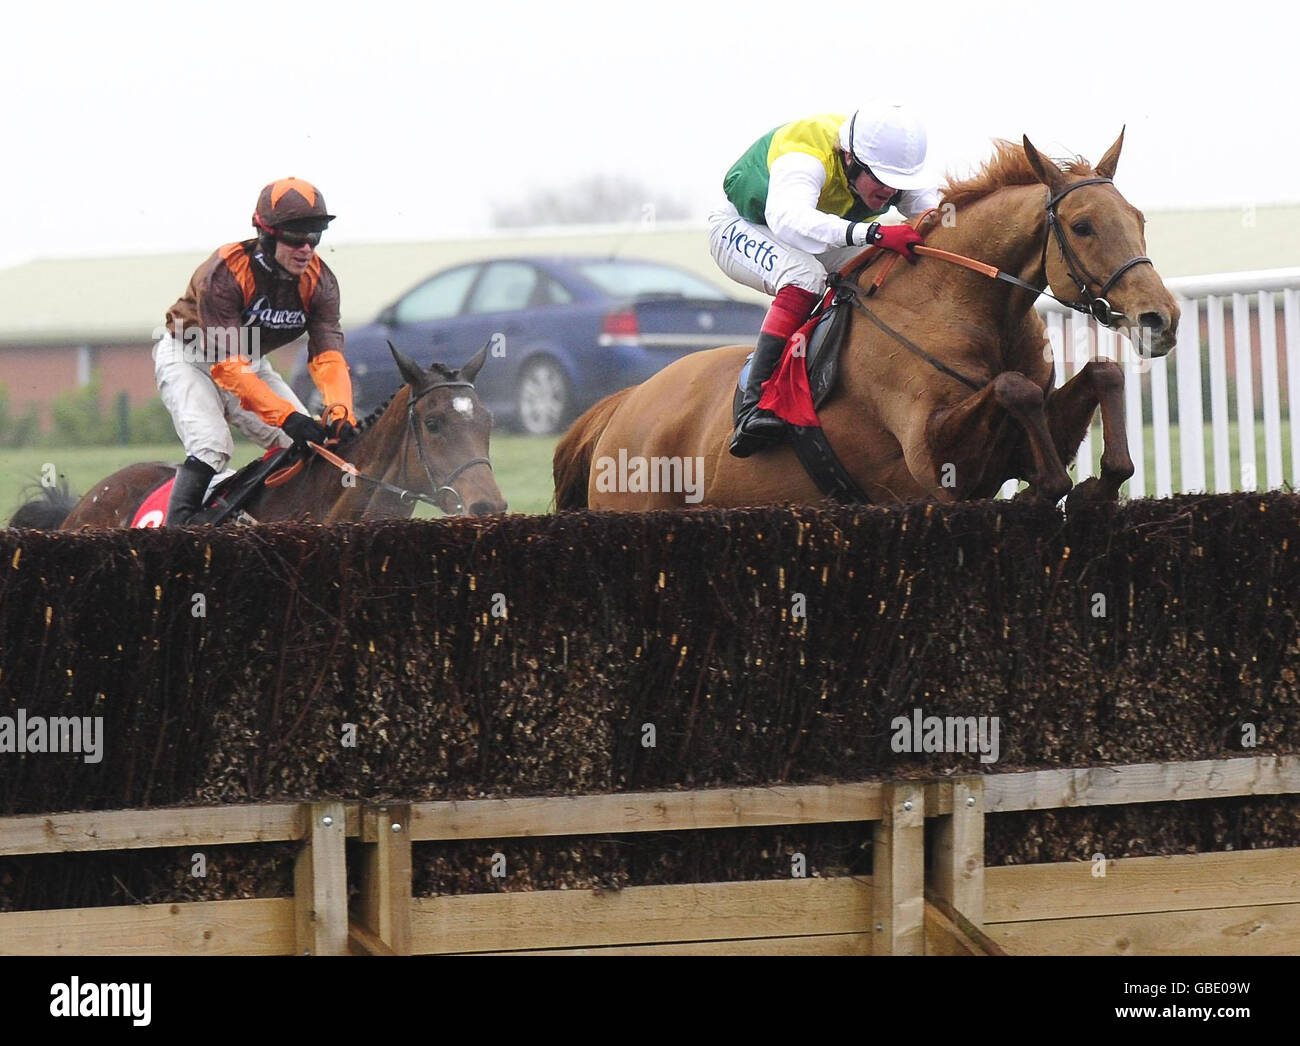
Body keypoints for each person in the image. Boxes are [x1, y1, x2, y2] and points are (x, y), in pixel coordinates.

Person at [709, 102, 941, 457]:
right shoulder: (805, 156)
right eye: (882, 181)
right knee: (804, 277)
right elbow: (789, 220)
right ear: (850, 158)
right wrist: (875, 233)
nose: (890, 193)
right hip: (745, 225)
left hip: (811, 229)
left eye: (900, 185)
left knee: (881, 265)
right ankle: (753, 403)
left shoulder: (885, 168)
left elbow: (937, 216)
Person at [156, 177, 358, 524]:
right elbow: (227, 369)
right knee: (211, 446)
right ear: (266, 234)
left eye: (315, 236)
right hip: (190, 358)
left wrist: (341, 413)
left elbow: (329, 358)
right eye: (296, 236)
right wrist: (287, 416)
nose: (307, 248)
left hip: (247, 361)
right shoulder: (225, 272)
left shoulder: (320, 282)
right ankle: (176, 537)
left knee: (311, 448)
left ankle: (255, 517)